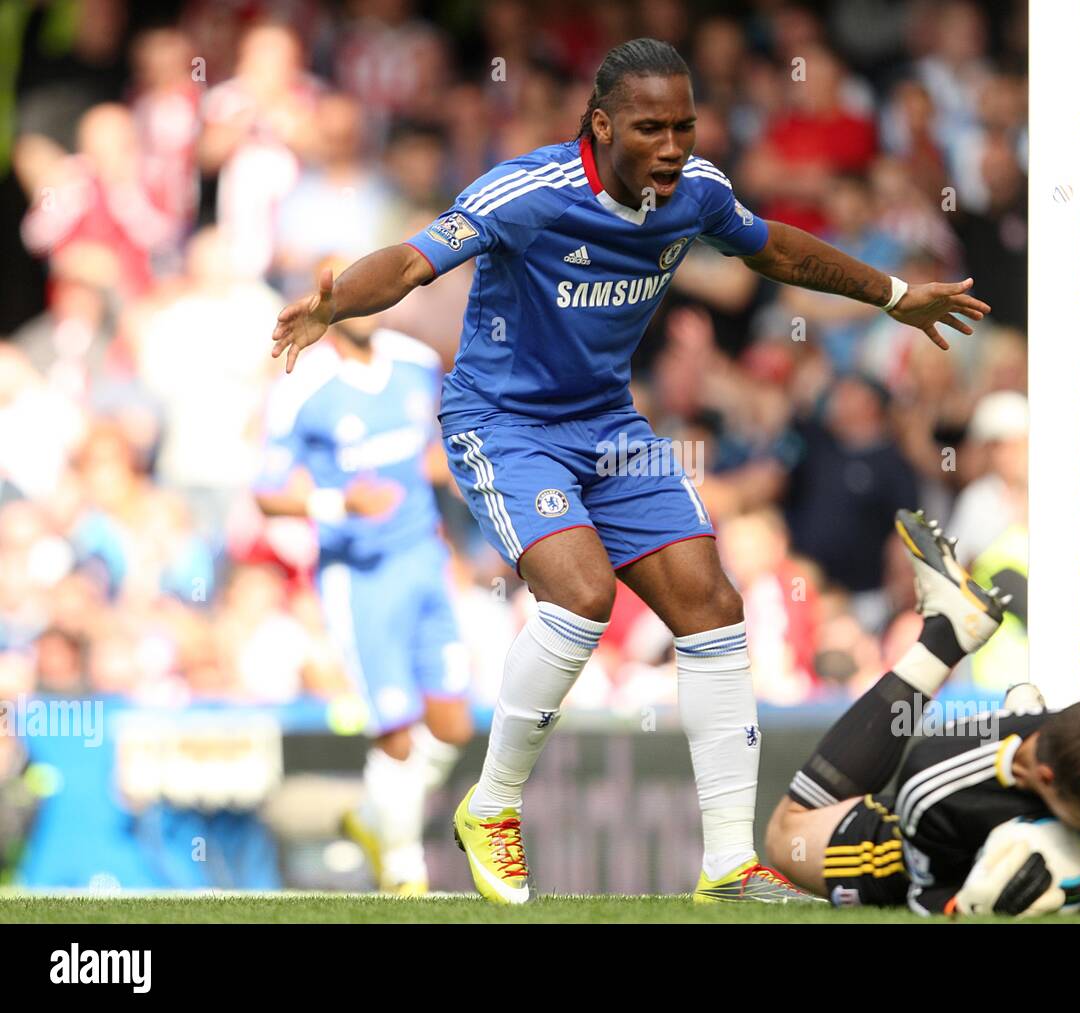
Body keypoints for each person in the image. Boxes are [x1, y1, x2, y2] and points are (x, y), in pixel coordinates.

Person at [269, 38, 988, 905]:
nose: (674, 144)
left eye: (685, 124)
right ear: (602, 124)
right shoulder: (528, 193)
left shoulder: (696, 196)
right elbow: (417, 259)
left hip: (607, 421)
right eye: (652, 127)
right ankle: (490, 806)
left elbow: (777, 251)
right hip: (503, 424)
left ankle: (728, 862)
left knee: (712, 603)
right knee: (581, 592)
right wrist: (337, 299)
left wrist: (895, 295)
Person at [764, 509, 1080, 915]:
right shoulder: (936, 787)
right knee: (787, 837)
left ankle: (949, 632)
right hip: (936, 837)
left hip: (1019, 760)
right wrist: (985, 901)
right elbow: (935, 899)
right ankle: (942, 642)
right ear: (1042, 779)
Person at [255, 270, 471, 894]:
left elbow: (432, 444)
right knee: (395, 730)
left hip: (423, 558)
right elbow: (269, 494)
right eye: (339, 289)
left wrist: (453, 470)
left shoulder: (416, 362)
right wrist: (339, 505)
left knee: (453, 726)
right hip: (360, 575)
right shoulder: (303, 388)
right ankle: (403, 867)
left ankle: (378, 818)